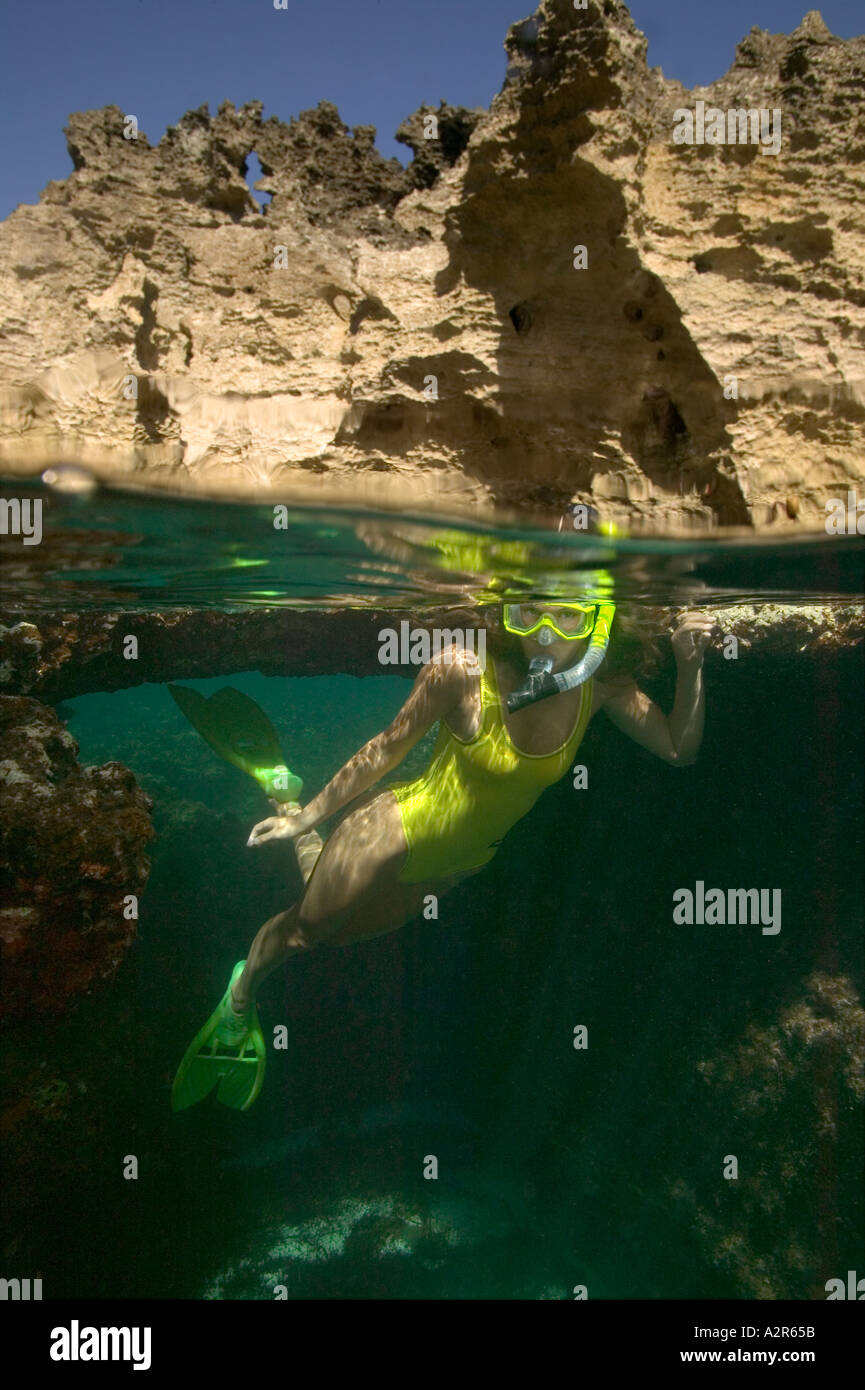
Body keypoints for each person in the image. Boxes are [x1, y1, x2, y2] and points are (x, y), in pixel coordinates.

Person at [171, 602, 713, 1110]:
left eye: (568, 617)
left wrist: (690, 667)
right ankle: (239, 999)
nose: (543, 636)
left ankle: (285, 791)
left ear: (599, 622)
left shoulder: (601, 685)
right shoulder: (461, 669)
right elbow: (386, 747)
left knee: (335, 931)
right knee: (304, 933)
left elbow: (677, 749)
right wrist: (307, 816)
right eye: (528, 615)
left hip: (463, 862)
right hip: (392, 835)